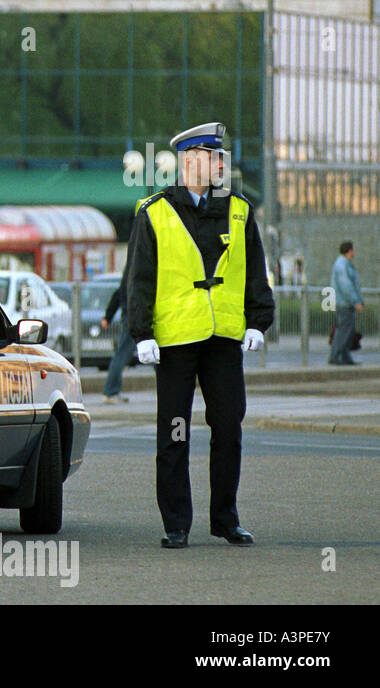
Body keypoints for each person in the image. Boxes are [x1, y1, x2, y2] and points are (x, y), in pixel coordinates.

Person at [124, 122, 276, 550]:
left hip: (224, 338)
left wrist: (257, 322)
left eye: (221, 157)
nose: (221, 164)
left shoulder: (239, 210)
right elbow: (139, 276)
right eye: (214, 157)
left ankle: (225, 520)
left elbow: (254, 270)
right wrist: (142, 333)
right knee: (175, 432)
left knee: (228, 428)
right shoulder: (154, 212)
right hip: (174, 341)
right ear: (191, 161)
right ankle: (176, 523)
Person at [99, 277, 134, 404]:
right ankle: (110, 391)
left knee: (155, 355)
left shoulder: (133, 261)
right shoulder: (137, 260)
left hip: (132, 313)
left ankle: (111, 391)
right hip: (135, 314)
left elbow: (119, 292)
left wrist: (108, 315)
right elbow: (120, 292)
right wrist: (108, 315)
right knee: (122, 353)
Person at [329, 241, 362, 365]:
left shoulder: (344, 264)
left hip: (345, 302)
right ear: (349, 250)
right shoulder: (342, 265)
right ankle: (336, 356)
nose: (354, 252)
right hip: (344, 303)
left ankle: (345, 356)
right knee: (344, 330)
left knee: (348, 330)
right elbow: (346, 285)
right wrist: (356, 301)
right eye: (353, 249)